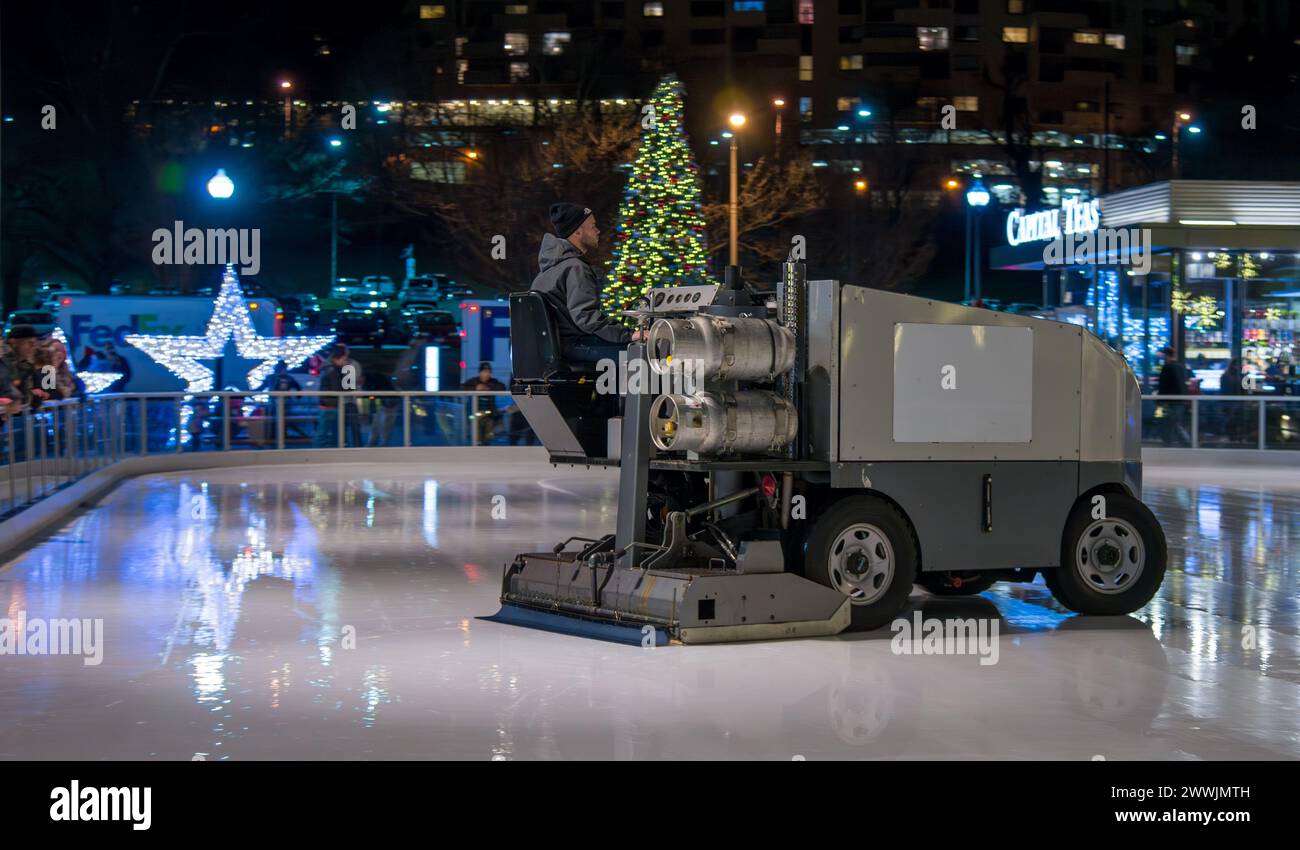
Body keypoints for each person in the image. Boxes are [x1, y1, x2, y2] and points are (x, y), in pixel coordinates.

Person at [529, 202, 645, 364]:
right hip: (574, 347)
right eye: (593, 226)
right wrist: (629, 334)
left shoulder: (547, 271)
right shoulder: (576, 268)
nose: (598, 231)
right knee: (645, 354)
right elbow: (586, 317)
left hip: (555, 348)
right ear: (578, 231)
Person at [315, 344, 363, 447]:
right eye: (344, 358)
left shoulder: (334, 367)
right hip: (332, 404)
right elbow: (338, 387)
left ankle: (341, 446)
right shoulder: (332, 369)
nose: (345, 361)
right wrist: (350, 386)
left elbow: (343, 386)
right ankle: (339, 447)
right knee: (328, 432)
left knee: (333, 431)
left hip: (335, 403)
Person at [461, 361, 507, 444]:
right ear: (480, 372)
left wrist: (488, 387)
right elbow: (462, 388)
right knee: (476, 437)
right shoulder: (473, 381)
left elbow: (502, 387)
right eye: (485, 372)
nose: (487, 374)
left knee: (487, 438)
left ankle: (486, 446)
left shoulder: (493, 382)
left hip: (489, 415)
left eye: (489, 372)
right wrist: (476, 388)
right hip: (475, 415)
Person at [1156, 347, 1190, 445]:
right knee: (1176, 422)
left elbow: (1162, 385)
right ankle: (1183, 442)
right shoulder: (1180, 367)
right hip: (1179, 401)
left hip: (1167, 401)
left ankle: (1180, 442)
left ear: (1166, 355)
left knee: (1167, 421)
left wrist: (1159, 400)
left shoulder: (1167, 367)